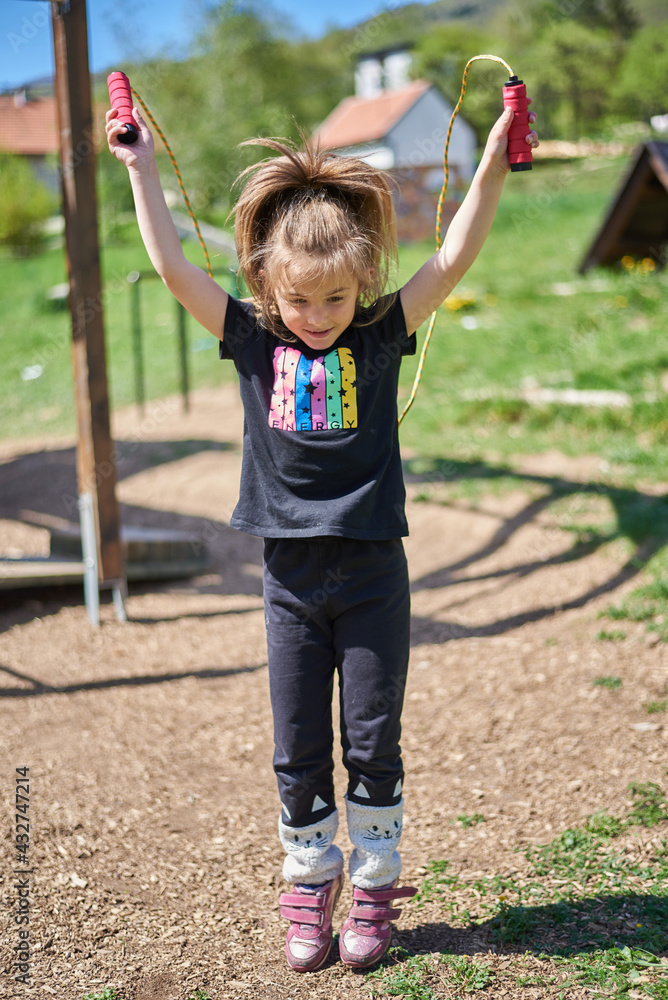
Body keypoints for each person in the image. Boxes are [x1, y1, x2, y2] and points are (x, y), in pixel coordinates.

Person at [106, 98, 538, 973]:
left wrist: (493, 155)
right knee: (297, 747)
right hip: (290, 584)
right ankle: (310, 879)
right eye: (299, 298)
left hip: (376, 574)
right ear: (268, 287)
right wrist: (140, 166)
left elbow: (454, 253)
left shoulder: (381, 335)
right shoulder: (252, 339)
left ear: (364, 280)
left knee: (374, 741)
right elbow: (171, 262)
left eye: (337, 296)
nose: (317, 313)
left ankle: (375, 886)